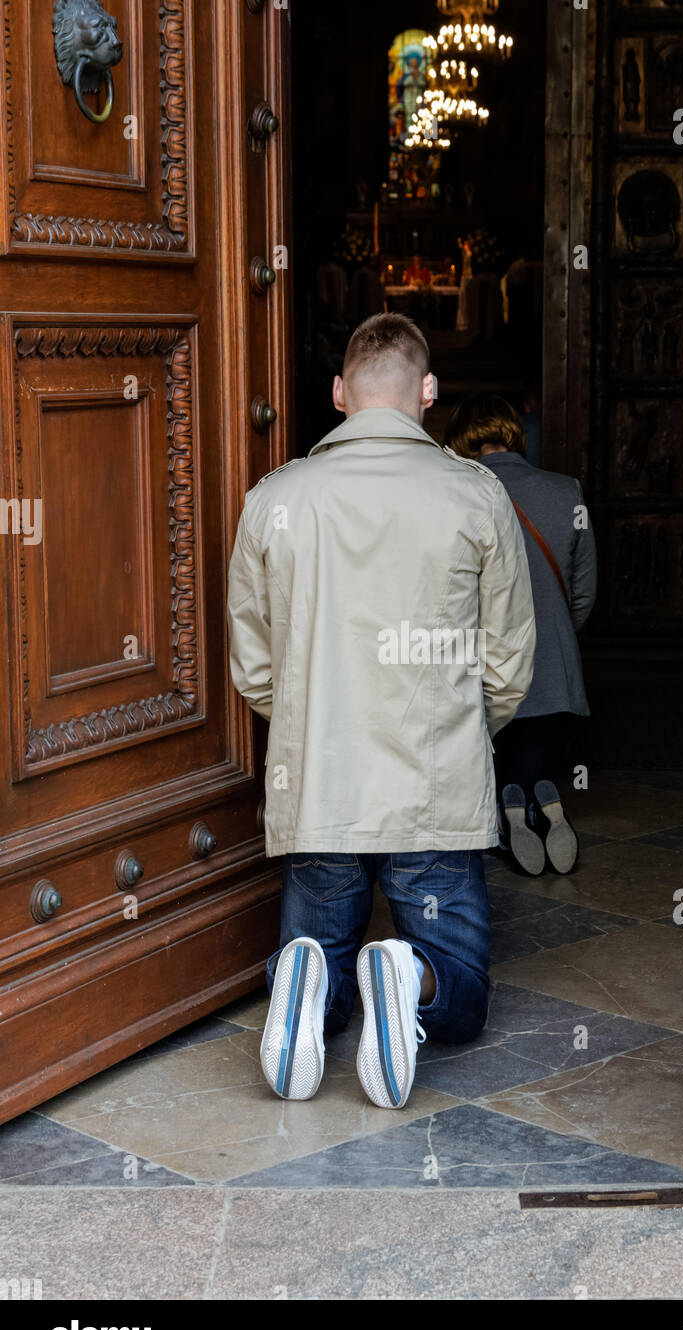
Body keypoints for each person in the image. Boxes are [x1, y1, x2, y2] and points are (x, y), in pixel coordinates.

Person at [227, 315, 535, 1110]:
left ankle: (303, 974)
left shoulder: (275, 500)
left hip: (320, 784)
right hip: (434, 788)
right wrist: (461, 735)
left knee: (322, 952)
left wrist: (306, 720)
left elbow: (253, 668)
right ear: (427, 392)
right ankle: (408, 971)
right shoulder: (476, 495)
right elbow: (506, 664)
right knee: (460, 996)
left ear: (338, 394)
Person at [445, 393, 597, 876]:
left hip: (481, 669)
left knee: (492, 766)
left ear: (460, 439)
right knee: (537, 763)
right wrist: (550, 640)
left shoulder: (455, 495)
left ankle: (505, 815)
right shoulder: (566, 491)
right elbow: (584, 592)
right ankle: (535, 805)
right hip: (553, 671)